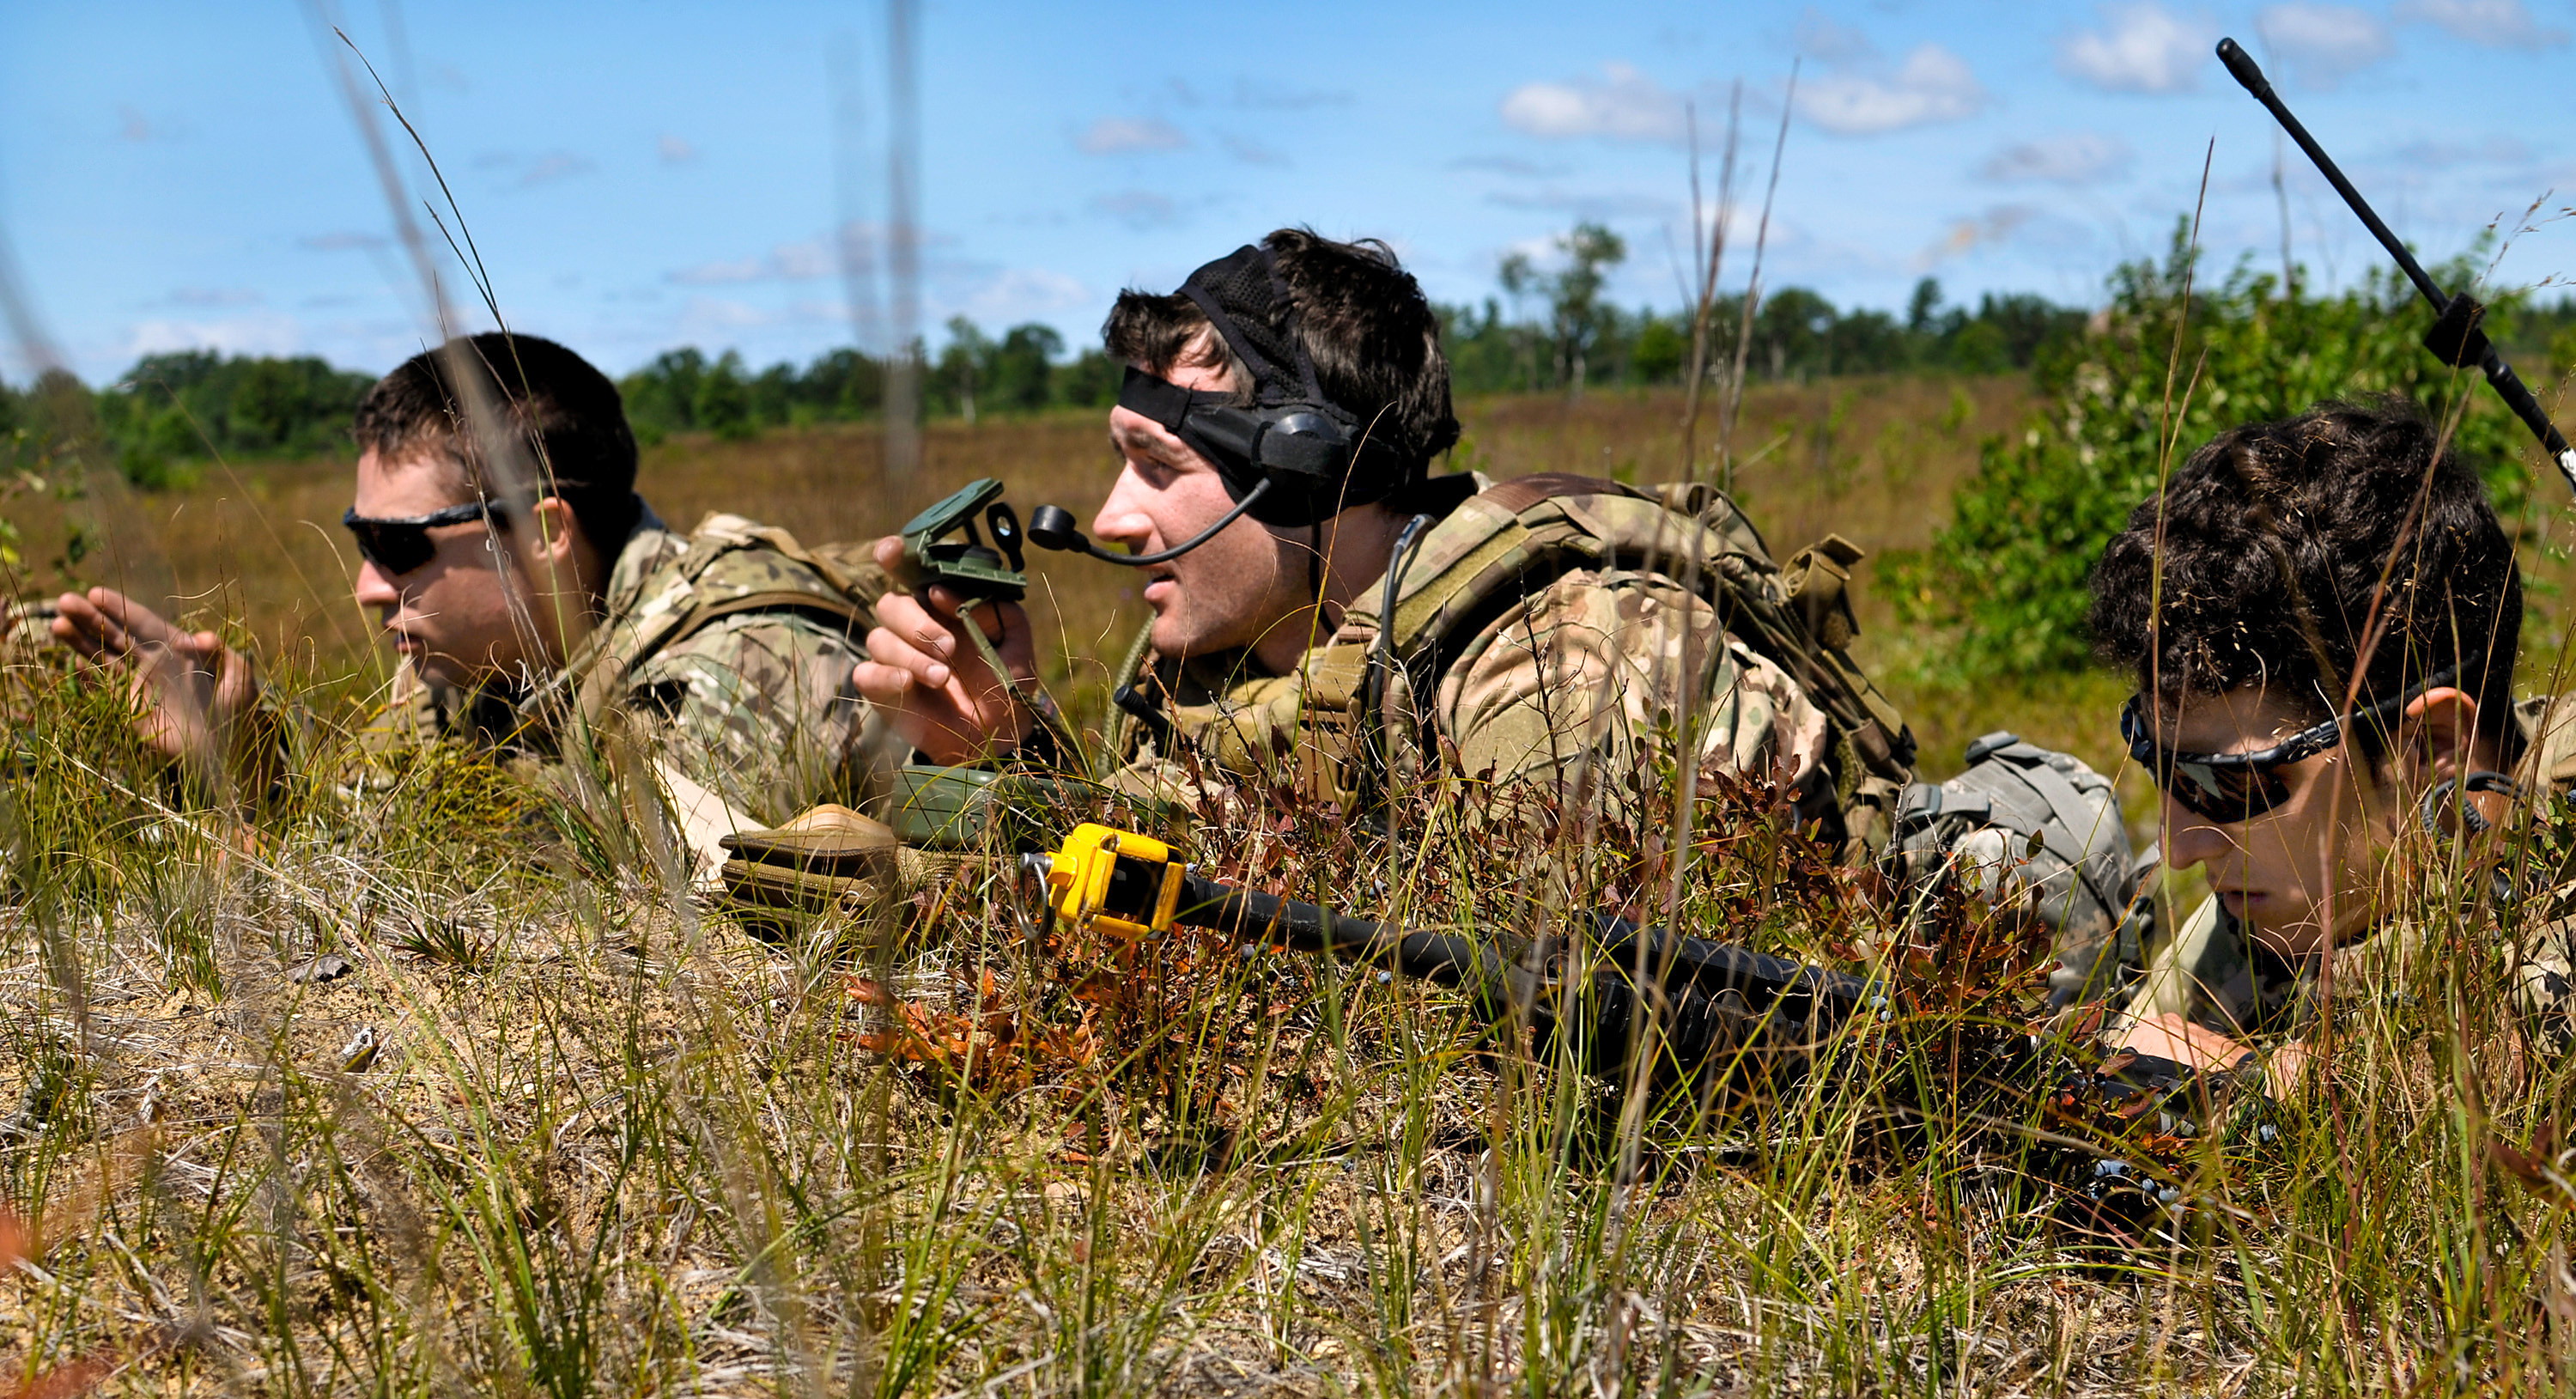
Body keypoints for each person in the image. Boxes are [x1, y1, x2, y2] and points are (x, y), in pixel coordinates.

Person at [861, 228, 1928, 856]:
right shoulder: (1218, 661)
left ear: (1301, 472)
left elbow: (1566, 1013)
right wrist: (1004, 750)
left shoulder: (1561, 663)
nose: (1109, 517)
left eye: (1159, 467)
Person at [49, 332, 896, 847]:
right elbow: (373, 807)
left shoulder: (743, 656)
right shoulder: (480, 659)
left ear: (545, 534)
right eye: (362, 539)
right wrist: (245, 744)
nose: (368, 588)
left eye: (396, 544)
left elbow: (637, 873)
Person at [2087, 401, 2576, 1084]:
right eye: (2157, 762)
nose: (2178, 843)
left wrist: (2243, 1099)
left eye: (2230, 782)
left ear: (2430, 748)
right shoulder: (2287, 891)